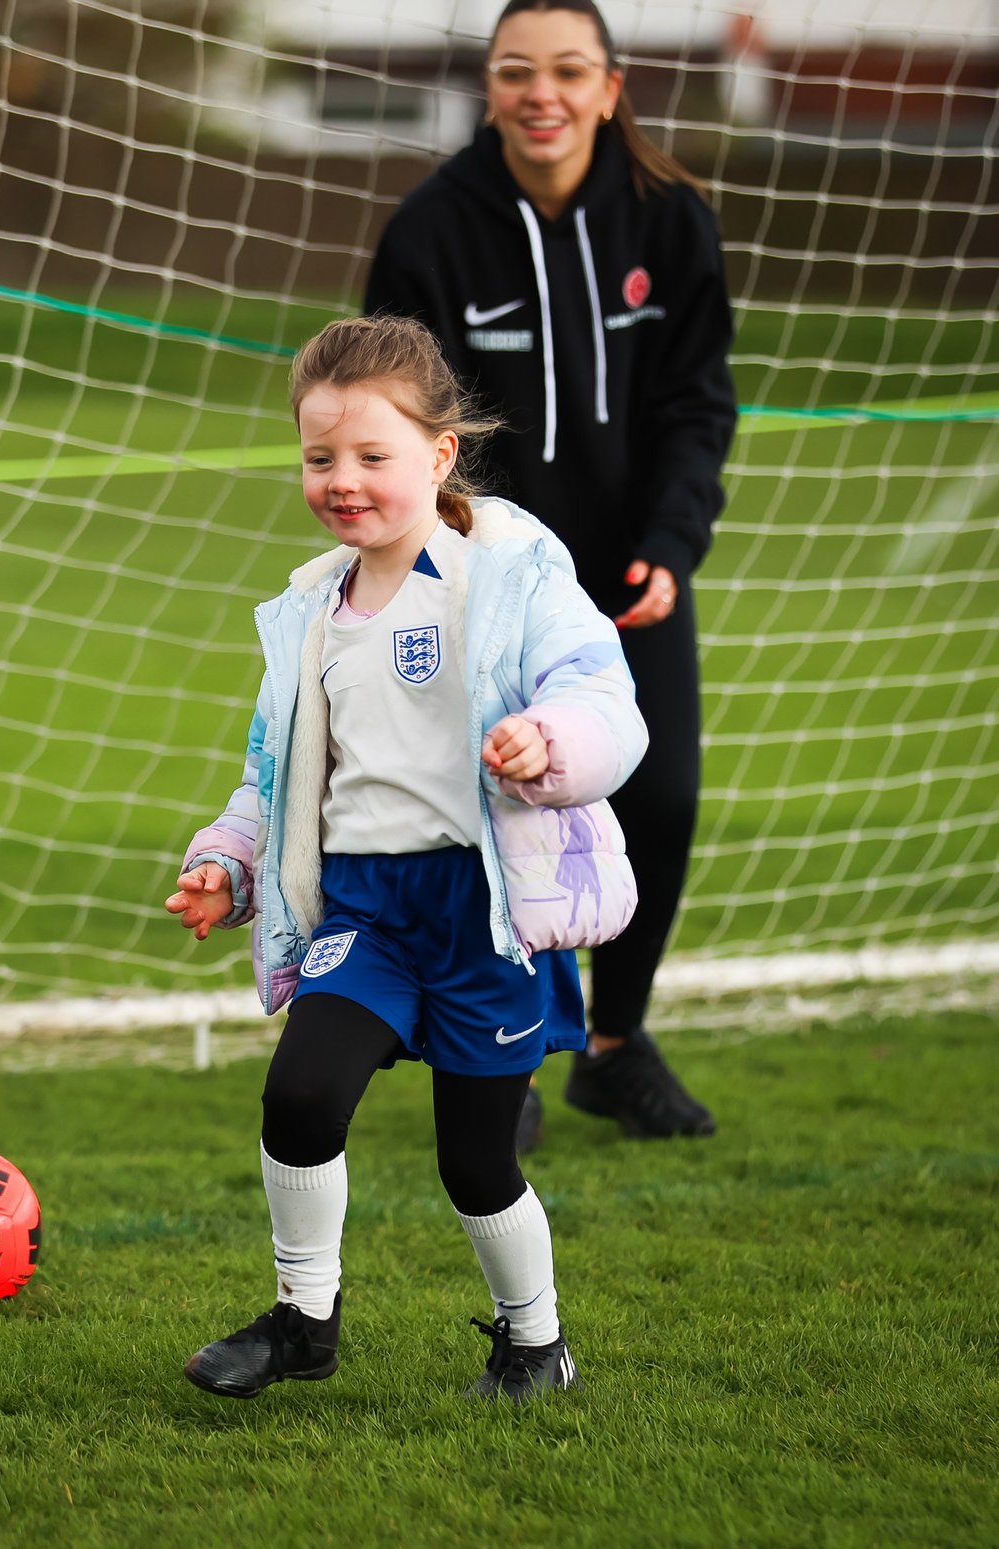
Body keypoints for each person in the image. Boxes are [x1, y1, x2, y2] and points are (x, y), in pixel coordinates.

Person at [165, 316, 646, 1404]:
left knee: (476, 1164)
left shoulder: (511, 578)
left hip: (483, 910)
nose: (343, 480)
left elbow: (604, 699)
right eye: (319, 456)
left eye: (372, 457)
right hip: (366, 911)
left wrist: (552, 744)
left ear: (439, 455)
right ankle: (303, 1322)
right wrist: (228, 865)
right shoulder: (309, 613)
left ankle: (534, 1346)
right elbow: (275, 780)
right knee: (301, 1095)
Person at [364, 0, 737, 1147]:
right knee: (491, 807)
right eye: (518, 71)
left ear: (610, 88)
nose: (544, 94)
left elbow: (695, 404)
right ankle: (507, 1050)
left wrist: (670, 544)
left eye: (570, 71)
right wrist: (461, 555)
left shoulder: (671, 224)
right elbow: (408, 413)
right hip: (486, 576)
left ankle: (615, 1045)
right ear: (491, 87)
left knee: (660, 795)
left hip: (631, 577)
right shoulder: (433, 229)